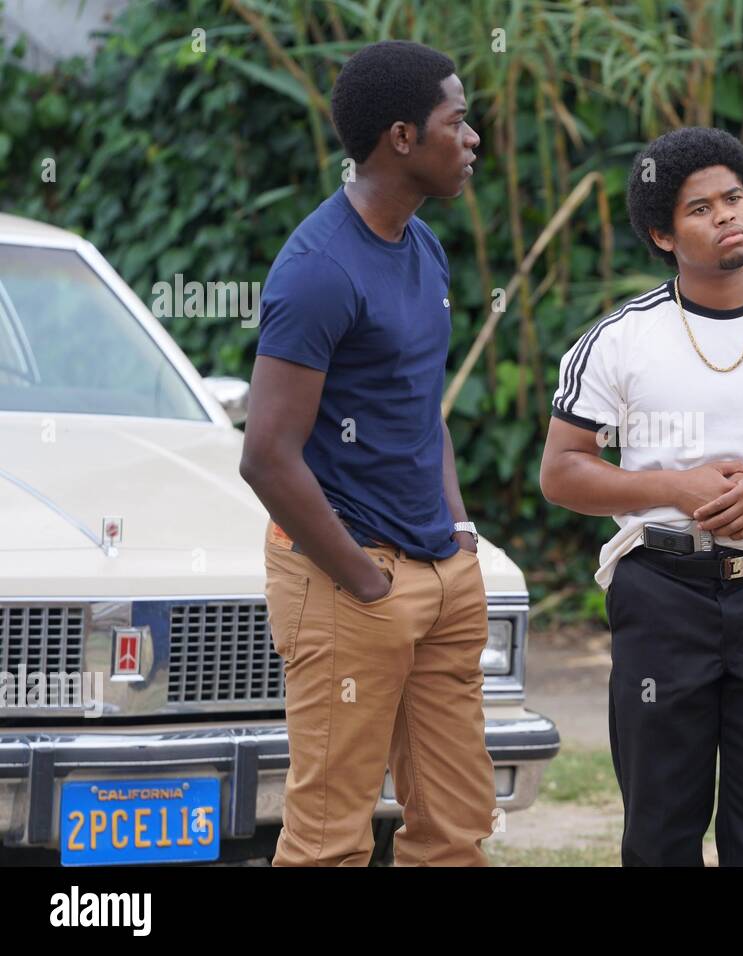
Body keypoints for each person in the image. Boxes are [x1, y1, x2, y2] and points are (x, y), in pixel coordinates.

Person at [540, 127, 743, 866]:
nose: (727, 215)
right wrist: (674, 486)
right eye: (701, 208)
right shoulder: (619, 341)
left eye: (734, 198)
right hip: (662, 594)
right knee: (660, 832)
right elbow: (563, 471)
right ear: (664, 234)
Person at [240, 40, 493, 866]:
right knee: (327, 841)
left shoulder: (422, 247)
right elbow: (267, 454)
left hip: (439, 575)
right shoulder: (318, 270)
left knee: (455, 829)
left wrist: (458, 537)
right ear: (402, 138)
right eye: (457, 121)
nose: (473, 137)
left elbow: (423, 409)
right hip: (350, 582)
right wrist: (363, 580)